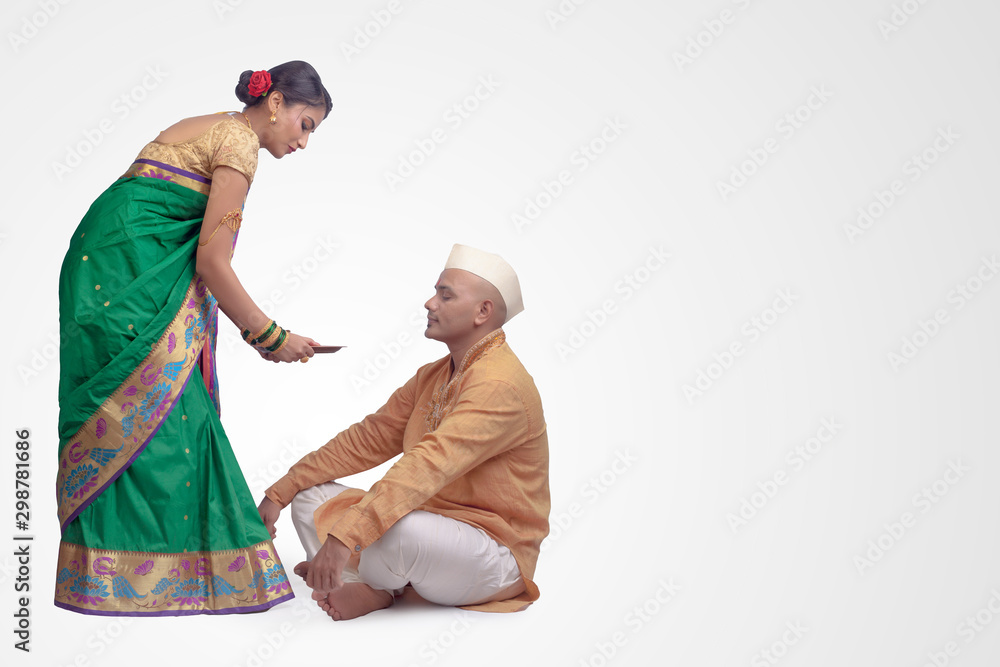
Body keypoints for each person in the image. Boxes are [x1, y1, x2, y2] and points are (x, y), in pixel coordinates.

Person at [54, 61, 332, 616]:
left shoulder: (216, 126)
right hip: (129, 280)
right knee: (166, 416)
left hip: (110, 273)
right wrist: (270, 336)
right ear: (274, 102)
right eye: (305, 124)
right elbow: (212, 259)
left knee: (158, 416)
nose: (304, 142)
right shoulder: (238, 141)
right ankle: (164, 581)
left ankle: (126, 579)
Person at [258, 244, 550, 621]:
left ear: (483, 312)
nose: (430, 303)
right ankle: (358, 577)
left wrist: (346, 536)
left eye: (445, 295)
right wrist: (280, 491)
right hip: (431, 534)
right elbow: (366, 439)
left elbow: (427, 466)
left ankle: (375, 584)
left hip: (491, 552)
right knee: (310, 496)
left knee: (393, 534)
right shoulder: (433, 375)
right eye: (434, 293)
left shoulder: (500, 384)